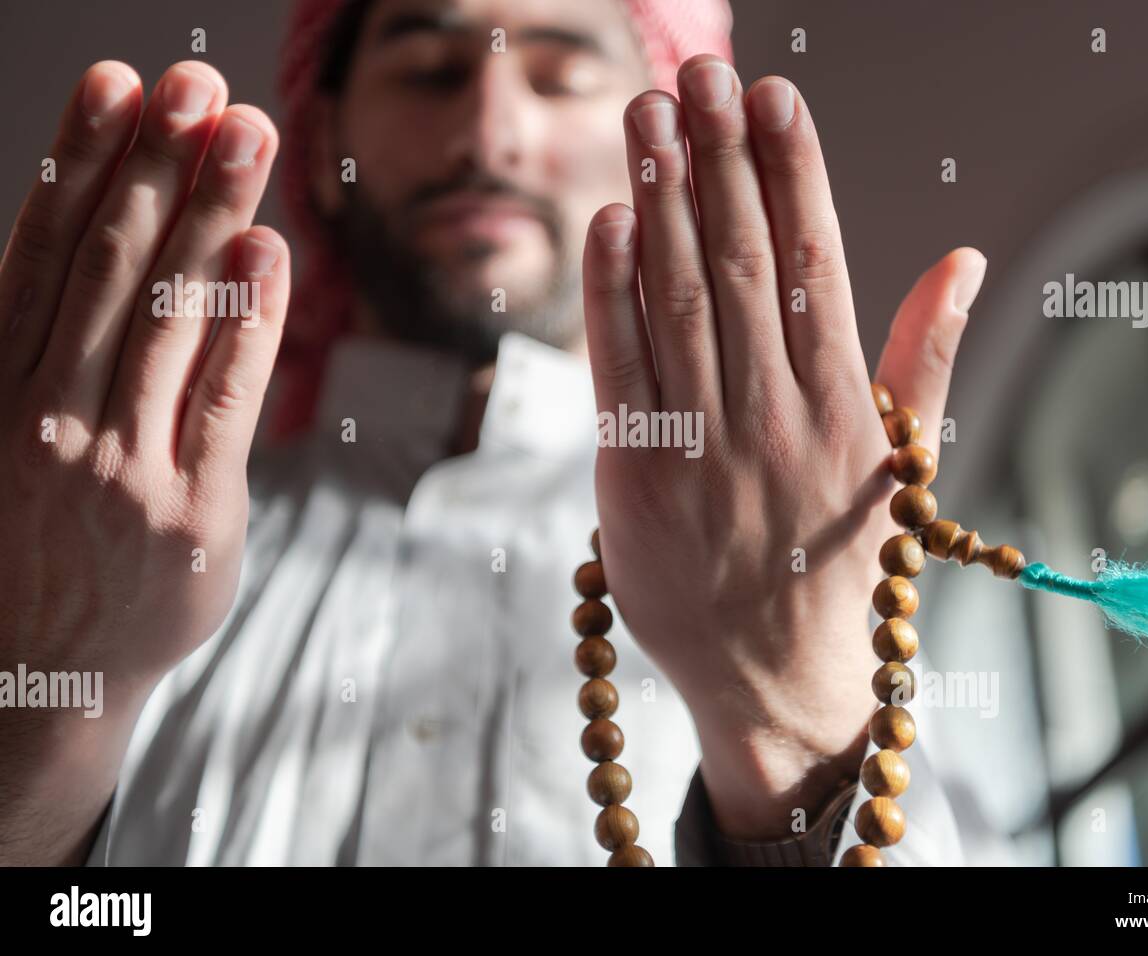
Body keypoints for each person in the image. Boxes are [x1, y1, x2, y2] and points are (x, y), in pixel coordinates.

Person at [0, 0, 994, 865]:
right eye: (429, 72)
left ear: (666, 160)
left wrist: (792, 720)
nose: (491, 131)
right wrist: (42, 685)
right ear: (323, 146)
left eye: (563, 76)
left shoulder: (830, 590)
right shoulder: (114, 550)